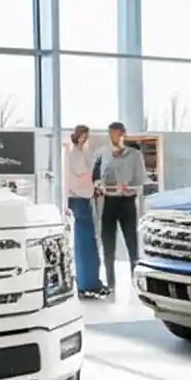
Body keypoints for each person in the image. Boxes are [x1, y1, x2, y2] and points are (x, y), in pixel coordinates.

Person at [96, 122, 147, 291]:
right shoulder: (104, 154)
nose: (114, 138)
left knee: (131, 241)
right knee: (107, 241)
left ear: (123, 134)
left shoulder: (135, 155)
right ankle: (110, 281)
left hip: (127, 201)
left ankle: (135, 279)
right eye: (111, 134)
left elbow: (141, 179)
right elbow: (98, 176)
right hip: (109, 201)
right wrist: (101, 185)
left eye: (116, 134)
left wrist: (129, 186)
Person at [65, 125, 108, 299]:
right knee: (87, 244)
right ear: (82, 137)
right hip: (81, 200)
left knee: (83, 242)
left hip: (77, 199)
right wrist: (94, 189)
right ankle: (89, 283)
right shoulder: (76, 155)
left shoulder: (70, 153)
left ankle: (87, 282)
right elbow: (83, 179)